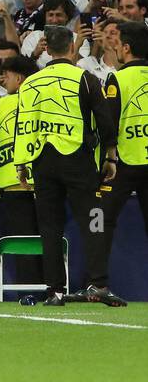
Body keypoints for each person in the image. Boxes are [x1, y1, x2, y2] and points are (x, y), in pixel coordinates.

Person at [13, 26, 126, 306]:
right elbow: (104, 120)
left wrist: (21, 163)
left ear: (47, 49)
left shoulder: (31, 83)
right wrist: (110, 157)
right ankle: (98, 284)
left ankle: (55, 291)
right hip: (77, 159)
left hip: (42, 160)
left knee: (50, 227)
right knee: (94, 221)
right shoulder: (85, 79)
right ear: (71, 48)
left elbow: (24, 125)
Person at [99, 22, 148, 289]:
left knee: (102, 220)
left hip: (125, 162)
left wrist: (108, 159)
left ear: (126, 48)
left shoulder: (117, 78)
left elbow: (109, 122)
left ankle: (98, 282)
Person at [0, 55, 43, 287]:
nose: (3, 81)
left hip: (13, 184)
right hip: (45, 183)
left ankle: (28, 292)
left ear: (19, 78)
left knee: (23, 243)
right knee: (49, 239)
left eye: (6, 76)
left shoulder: (1, 106)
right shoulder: (43, 102)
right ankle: (55, 288)